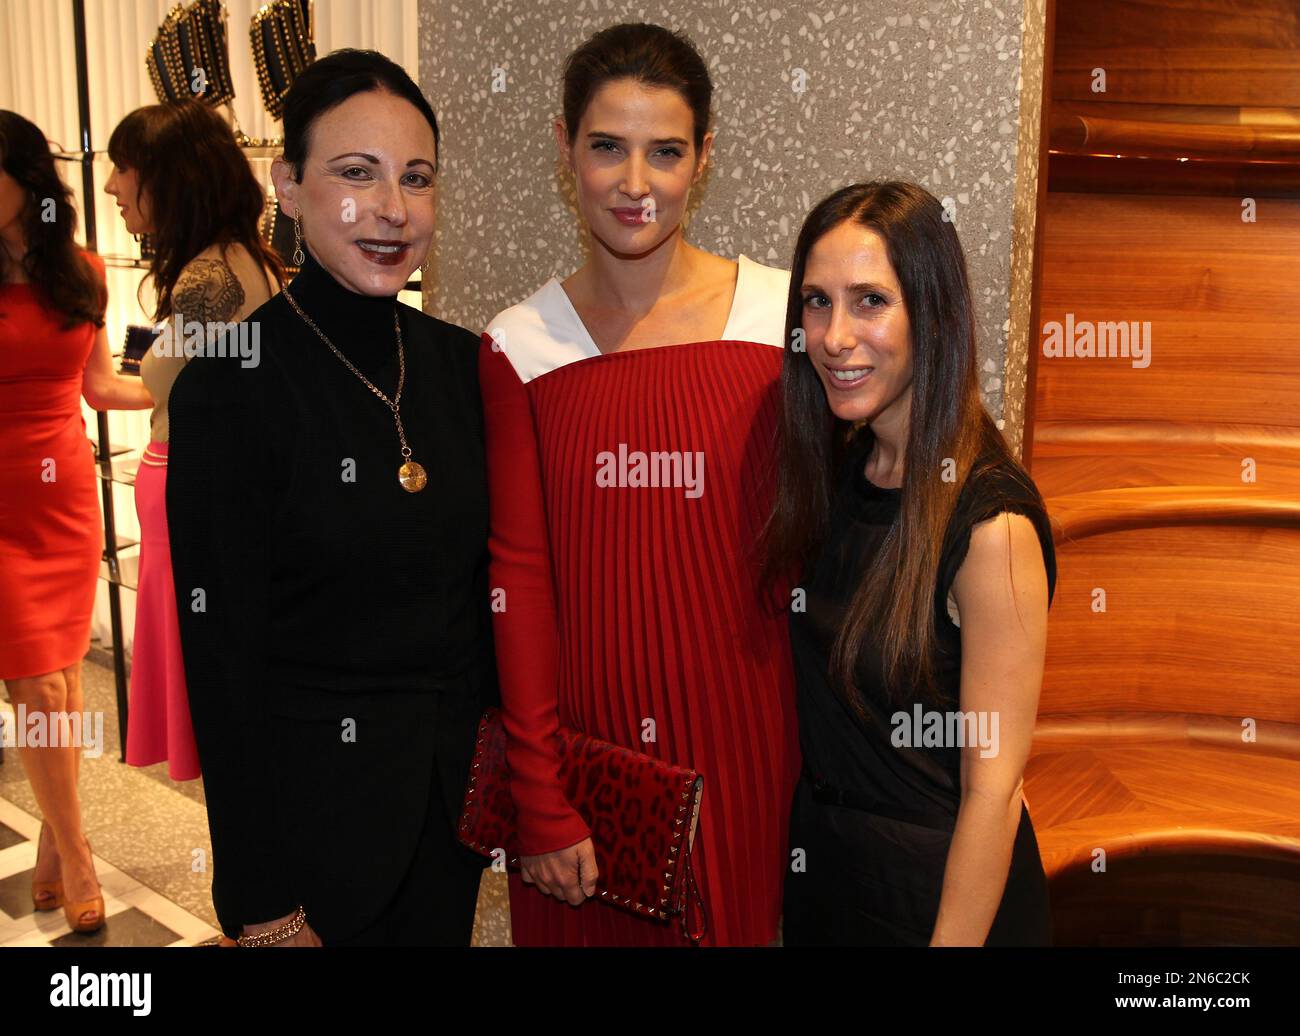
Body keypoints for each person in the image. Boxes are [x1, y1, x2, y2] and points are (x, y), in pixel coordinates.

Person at [166, 49, 497, 947]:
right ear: (290, 182)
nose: (392, 209)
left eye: (416, 179)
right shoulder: (228, 389)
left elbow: (484, 600)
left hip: (448, 823)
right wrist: (262, 900)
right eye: (356, 174)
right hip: (312, 835)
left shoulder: (462, 364)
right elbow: (221, 662)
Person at [480, 22, 801, 946]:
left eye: (665, 152)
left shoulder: (780, 314)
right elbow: (519, 576)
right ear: (564, 149)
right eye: (607, 148)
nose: (635, 184)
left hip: (752, 740)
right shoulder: (518, 344)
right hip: (592, 764)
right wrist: (538, 792)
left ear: (705, 157)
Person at [764, 180, 1055, 946]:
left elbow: (993, 795)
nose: (833, 336)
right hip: (832, 879)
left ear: (932, 314)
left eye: (869, 301)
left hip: (940, 901)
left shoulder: (990, 525)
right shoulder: (836, 472)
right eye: (818, 303)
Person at [0, 110, 153, 934]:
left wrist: (182, 388)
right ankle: (81, 847)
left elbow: (100, 388)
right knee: (35, 684)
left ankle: (52, 848)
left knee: (55, 686)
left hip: (62, 498)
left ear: (26, 181)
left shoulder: (83, 274)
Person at [105, 99, 284, 782]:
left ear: (170, 176)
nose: (113, 186)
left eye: (125, 168)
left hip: (197, 508)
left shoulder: (210, 278)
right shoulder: (232, 262)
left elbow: (188, 389)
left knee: (217, 712)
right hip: (195, 503)